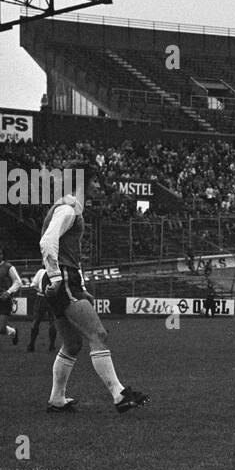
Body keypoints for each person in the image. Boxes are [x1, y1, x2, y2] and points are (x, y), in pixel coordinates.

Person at [39, 168, 148, 414]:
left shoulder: (68, 208)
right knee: (98, 334)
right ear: (82, 183)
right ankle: (119, 395)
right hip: (64, 278)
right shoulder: (67, 209)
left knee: (72, 343)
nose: (99, 185)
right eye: (95, 180)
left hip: (67, 278)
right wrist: (58, 277)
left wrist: (82, 287)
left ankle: (57, 399)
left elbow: (68, 251)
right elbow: (47, 242)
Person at [26, 268, 57, 352]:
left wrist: (40, 289)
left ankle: (32, 344)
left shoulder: (42, 271)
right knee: (52, 321)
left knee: (37, 321)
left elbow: (33, 285)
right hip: (51, 298)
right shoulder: (56, 272)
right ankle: (52, 345)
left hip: (42, 297)